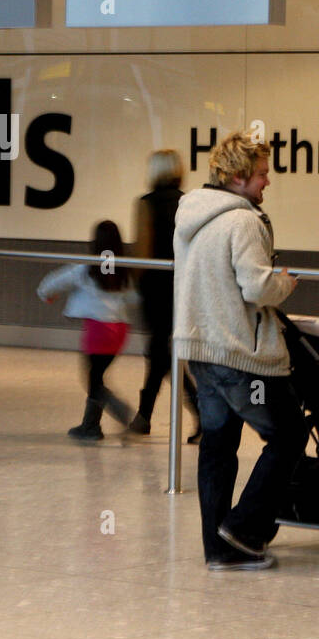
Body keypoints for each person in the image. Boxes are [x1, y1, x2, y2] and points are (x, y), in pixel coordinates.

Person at [173, 130, 304, 571]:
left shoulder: (190, 217)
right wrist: (284, 282)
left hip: (200, 352)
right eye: (262, 174)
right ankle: (245, 528)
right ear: (239, 176)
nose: (267, 182)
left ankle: (218, 549)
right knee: (287, 435)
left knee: (217, 447)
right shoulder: (244, 221)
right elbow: (255, 286)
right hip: (240, 359)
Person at [37, 220, 139, 441]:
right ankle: (91, 425)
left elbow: (51, 284)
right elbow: (133, 297)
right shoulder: (124, 269)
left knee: (93, 379)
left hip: (98, 330)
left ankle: (113, 416)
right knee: (96, 377)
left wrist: (46, 295)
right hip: (119, 330)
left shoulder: (85, 268)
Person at [127, 149, 200, 442]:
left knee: (159, 353)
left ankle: (151, 416)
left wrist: (135, 286)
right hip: (182, 287)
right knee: (162, 354)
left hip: (155, 288)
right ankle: (143, 416)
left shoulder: (146, 204)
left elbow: (142, 251)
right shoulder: (188, 202)